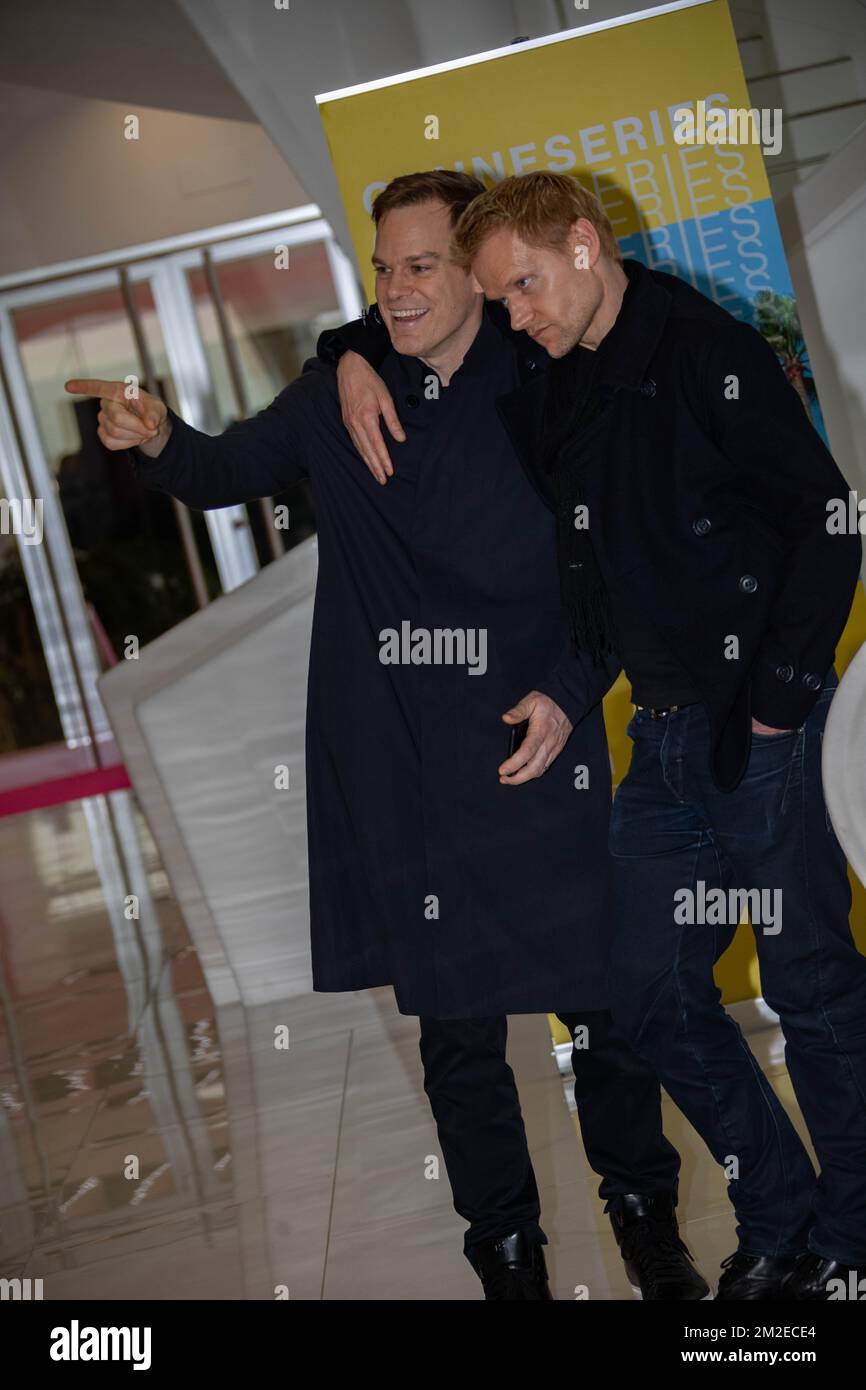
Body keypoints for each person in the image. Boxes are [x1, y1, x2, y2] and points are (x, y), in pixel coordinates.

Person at [63, 169, 707, 1302]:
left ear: (474, 271)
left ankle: (643, 1219)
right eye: (382, 270)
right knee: (457, 1039)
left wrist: (566, 689)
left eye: (421, 266)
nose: (397, 290)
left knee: (607, 1007)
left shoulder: (552, 387)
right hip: (402, 765)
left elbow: (613, 575)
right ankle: (506, 1256)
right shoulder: (337, 395)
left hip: (535, 750)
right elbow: (226, 471)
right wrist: (160, 432)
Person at [332, 169, 866, 1302]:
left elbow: (827, 519)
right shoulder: (558, 374)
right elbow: (412, 320)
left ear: (582, 244)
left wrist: (776, 700)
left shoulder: (705, 350)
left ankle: (853, 1249)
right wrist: (344, 351)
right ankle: (780, 1219)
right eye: (501, 297)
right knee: (647, 994)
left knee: (809, 988)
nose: (514, 316)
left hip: (761, 725)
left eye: (522, 288)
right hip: (663, 741)